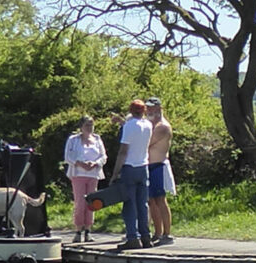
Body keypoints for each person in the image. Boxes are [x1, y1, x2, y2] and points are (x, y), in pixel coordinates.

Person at [115, 99, 153, 250]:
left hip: (130, 167)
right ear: (144, 111)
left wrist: (115, 172)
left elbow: (123, 151)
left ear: (130, 110)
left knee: (129, 204)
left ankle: (132, 237)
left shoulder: (129, 126)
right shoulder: (148, 125)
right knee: (142, 204)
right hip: (143, 166)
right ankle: (146, 236)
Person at [62, 115, 106, 243]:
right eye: (87, 125)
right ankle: (78, 230)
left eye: (91, 125)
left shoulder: (97, 139)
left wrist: (95, 163)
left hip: (93, 174)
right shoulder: (73, 139)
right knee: (80, 202)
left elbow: (103, 156)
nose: (89, 128)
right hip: (78, 174)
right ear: (81, 127)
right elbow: (68, 156)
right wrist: (79, 163)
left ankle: (88, 230)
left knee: (91, 202)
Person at [144, 98, 174, 245]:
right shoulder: (150, 125)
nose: (148, 111)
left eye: (152, 108)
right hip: (148, 166)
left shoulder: (162, 127)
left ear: (159, 108)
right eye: (147, 108)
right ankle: (157, 232)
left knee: (160, 200)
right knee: (151, 201)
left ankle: (167, 234)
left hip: (158, 166)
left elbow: (146, 143)